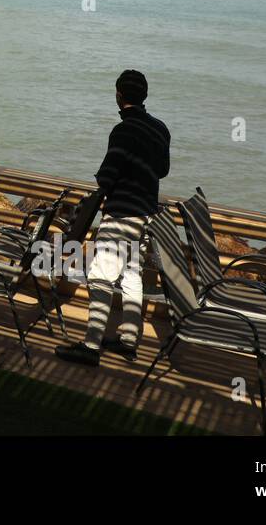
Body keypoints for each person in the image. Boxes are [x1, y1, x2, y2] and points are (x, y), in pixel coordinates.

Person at [55, 69, 171, 366]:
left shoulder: (123, 131)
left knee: (100, 277)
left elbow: (107, 176)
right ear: (144, 96)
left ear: (119, 95)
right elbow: (162, 171)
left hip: (121, 214)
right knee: (132, 277)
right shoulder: (161, 129)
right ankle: (129, 341)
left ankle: (91, 346)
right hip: (145, 215)